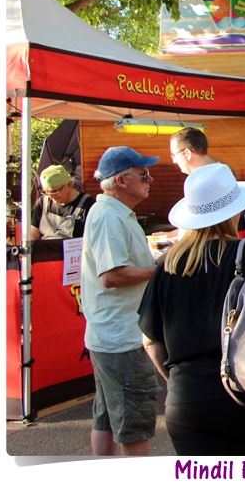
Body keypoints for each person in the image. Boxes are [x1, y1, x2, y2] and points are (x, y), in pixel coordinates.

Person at [137, 163, 245, 455]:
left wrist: (178, 379)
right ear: (234, 210)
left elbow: (150, 340)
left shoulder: (168, 264)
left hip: (188, 401)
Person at [81, 146, 161, 456]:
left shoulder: (113, 213)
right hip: (122, 338)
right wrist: (157, 271)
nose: (150, 179)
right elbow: (111, 275)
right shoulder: (108, 216)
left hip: (113, 336)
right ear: (121, 180)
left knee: (108, 419)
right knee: (132, 425)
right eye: (143, 174)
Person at [30, 164, 95, 240]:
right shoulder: (42, 203)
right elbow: (33, 234)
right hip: (46, 250)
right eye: (46, 192)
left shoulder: (88, 205)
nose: (51, 196)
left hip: (74, 250)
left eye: (55, 192)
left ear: (69, 184)